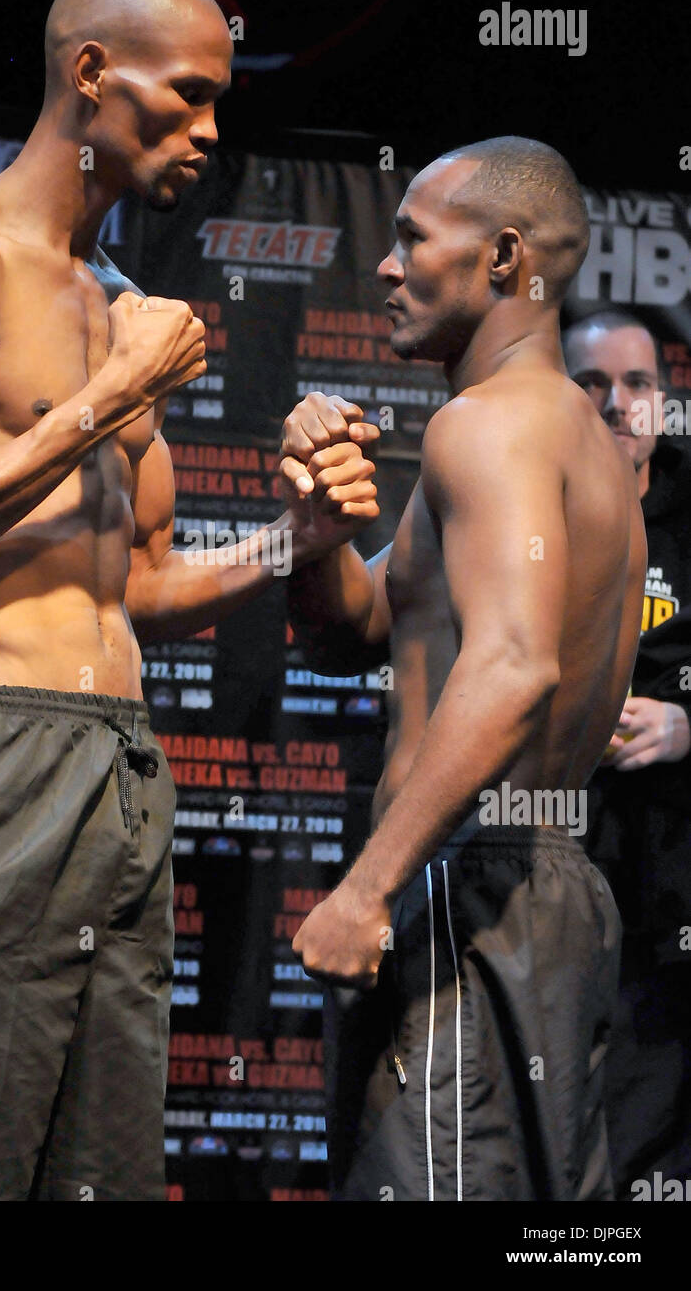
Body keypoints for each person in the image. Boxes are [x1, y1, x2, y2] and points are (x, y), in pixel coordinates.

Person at [0, 0, 379, 1202]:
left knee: (103, 1173)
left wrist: (288, 544)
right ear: (91, 73)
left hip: (120, 764)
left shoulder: (117, 298)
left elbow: (135, 582)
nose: (208, 128)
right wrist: (111, 397)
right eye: (184, 95)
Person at [280, 136, 647, 1201]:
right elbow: (358, 630)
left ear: (501, 259)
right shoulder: (571, 439)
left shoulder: (481, 430)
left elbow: (514, 664)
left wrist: (368, 886)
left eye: (411, 238)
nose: (386, 266)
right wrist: (314, 528)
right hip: (546, 890)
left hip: (470, 885)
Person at [564, 312, 691, 1195]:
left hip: (671, 885)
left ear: (665, 402)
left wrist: (688, 724)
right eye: (591, 383)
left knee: (648, 1146)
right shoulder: (523, 506)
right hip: (547, 876)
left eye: (638, 383)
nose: (616, 403)